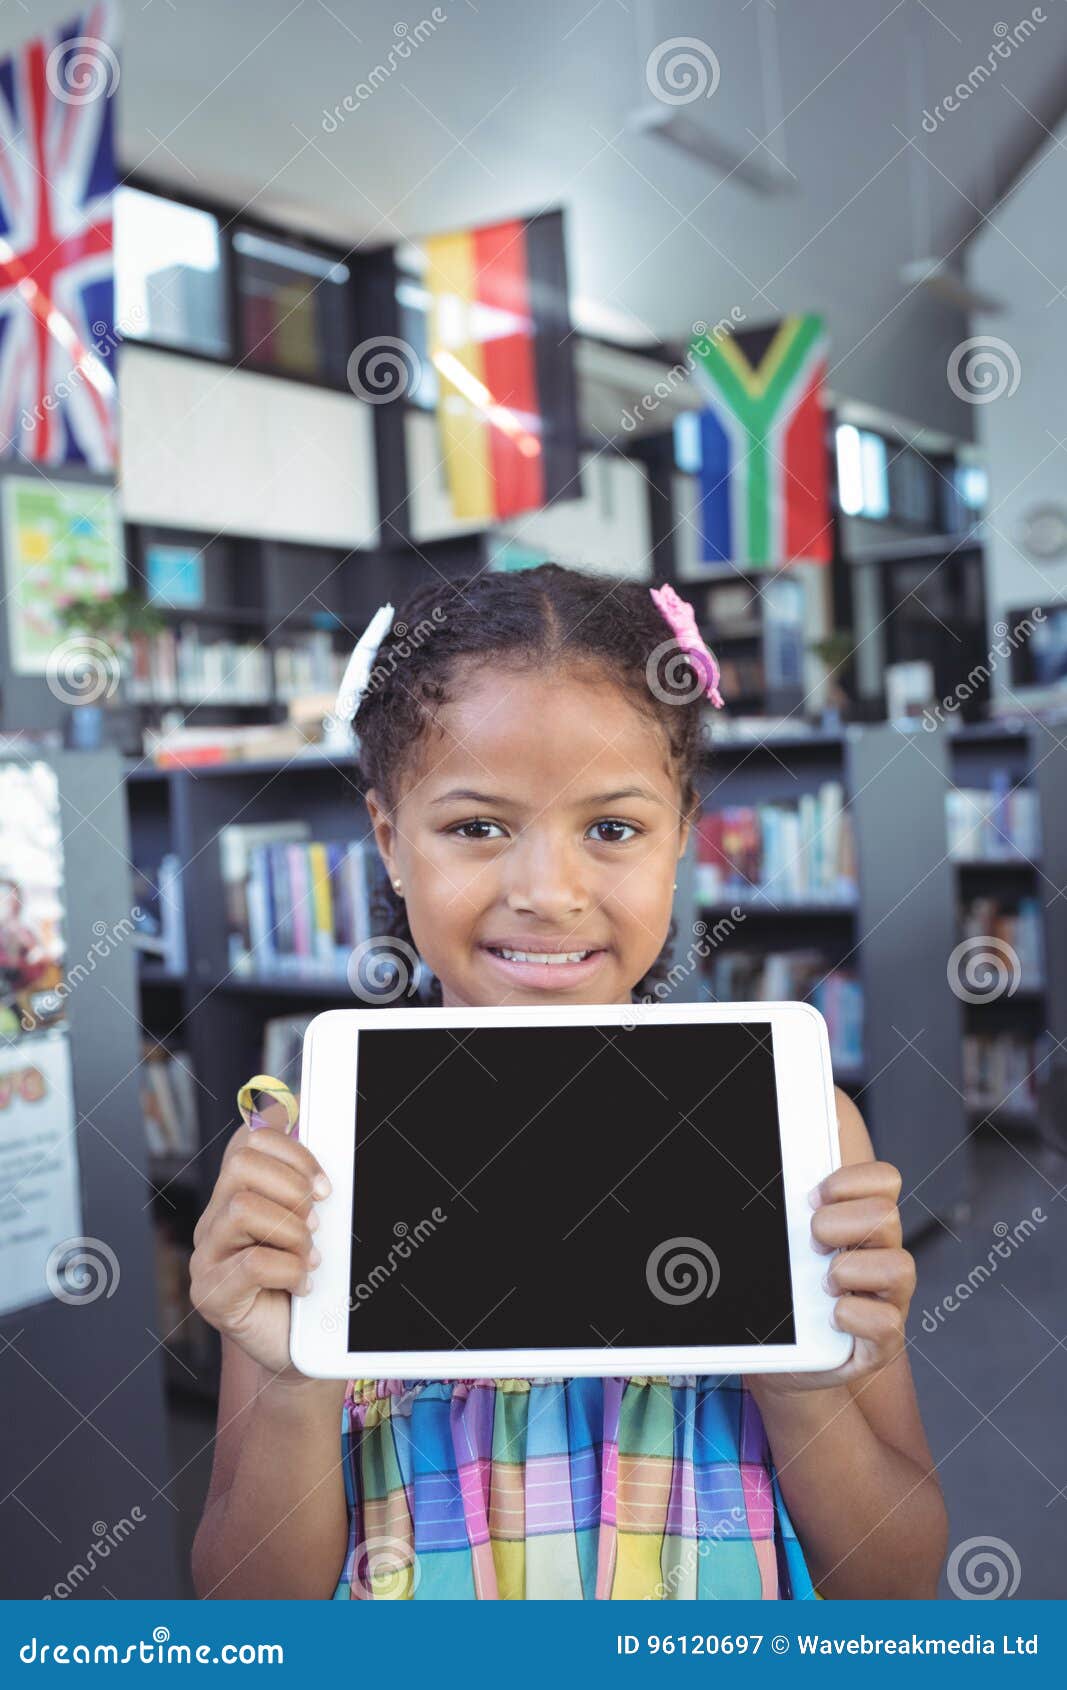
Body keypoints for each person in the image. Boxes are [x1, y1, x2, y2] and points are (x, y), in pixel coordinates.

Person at [189, 564, 947, 1600]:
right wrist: (290, 1378)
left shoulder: (794, 1130)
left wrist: (801, 1379)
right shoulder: (305, 1160)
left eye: (611, 829)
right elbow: (243, 1610)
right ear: (389, 842)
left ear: (678, 839)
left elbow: (896, 1586)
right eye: (476, 827)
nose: (548, 893)